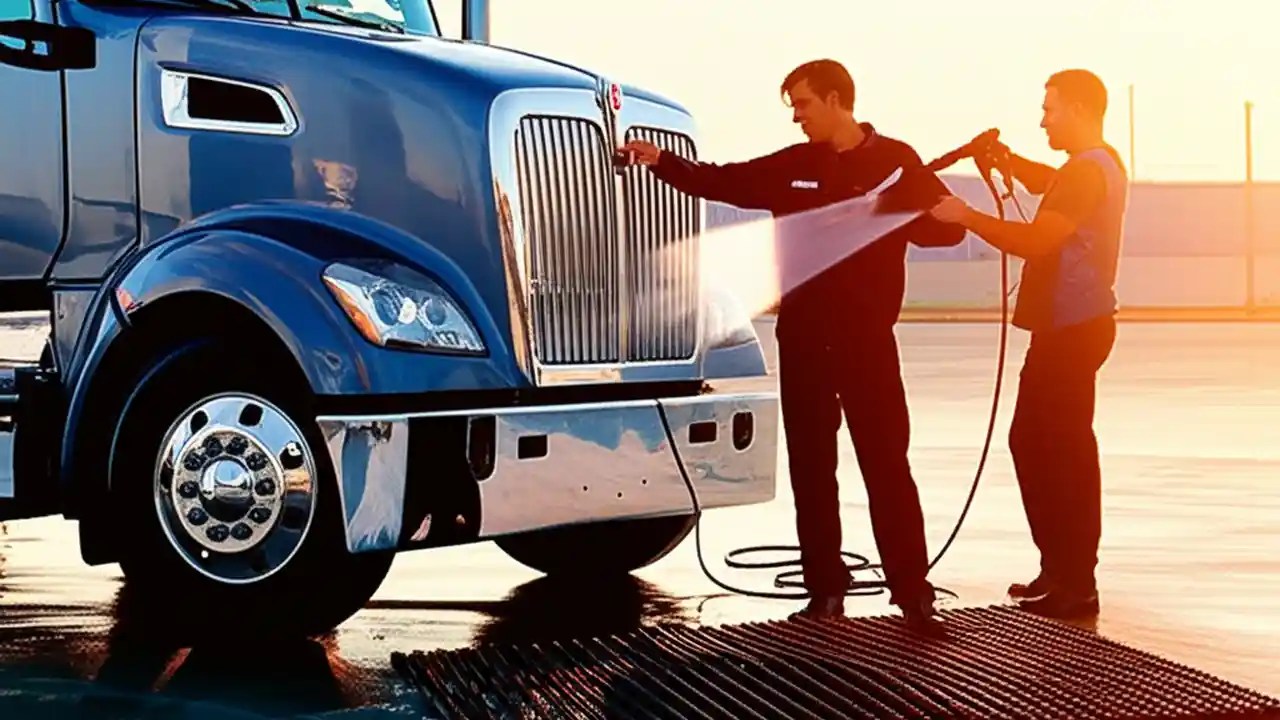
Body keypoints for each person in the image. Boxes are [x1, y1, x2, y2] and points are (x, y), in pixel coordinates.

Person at [616, 59, 965, 630]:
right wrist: (662, 162)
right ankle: (825, 592)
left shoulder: (896, 162)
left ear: (835, 99)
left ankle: (913, 594)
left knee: (886, 467)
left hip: (868, 346)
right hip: (804, 341)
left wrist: (930, 212)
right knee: (811, 467)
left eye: (803, 104)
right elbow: (722, 179)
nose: (797, 117)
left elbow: (946, 230)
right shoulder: (794, 165)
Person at [929, 68, 1129, 619]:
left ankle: (1076, 581)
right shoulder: (1092, 165)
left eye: (1052, 109)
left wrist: (967, 216)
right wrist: (1011, 165)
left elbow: (1040, 239)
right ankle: (1059, 570)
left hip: (1073, 329)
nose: (1044, 118)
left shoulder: (1086, 172)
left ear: (1083, 111)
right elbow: (1051, 184)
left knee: (1062, 452)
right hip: (1068, 328)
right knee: (1036, 443)